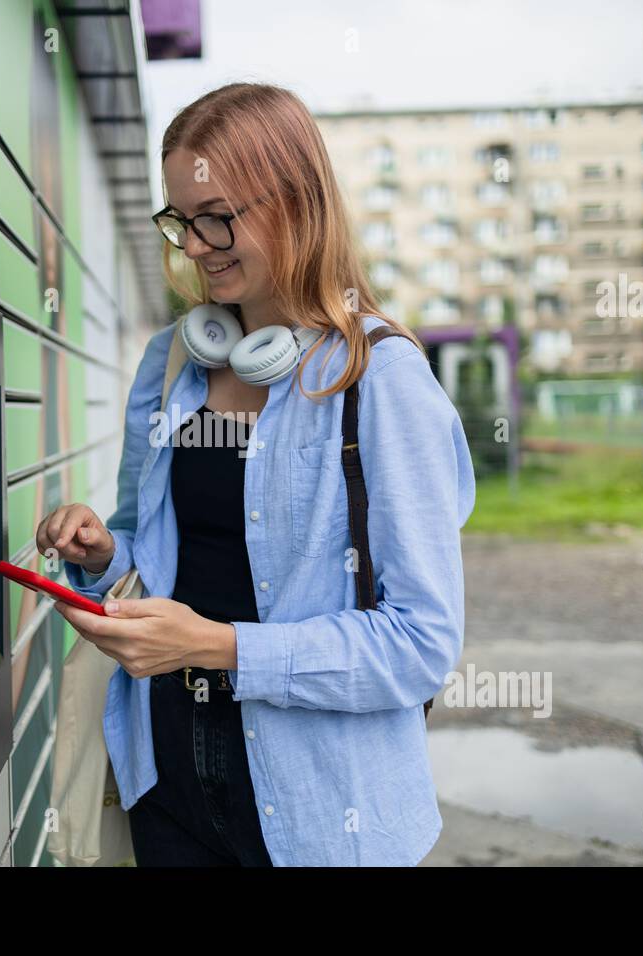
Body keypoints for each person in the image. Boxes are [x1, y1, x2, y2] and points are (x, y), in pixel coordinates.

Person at [36, 82, 475, 867]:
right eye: (181, 220)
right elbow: (155, 550)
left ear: (295, 202)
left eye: (218, 217)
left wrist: (216, 645)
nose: (196, 247)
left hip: (320, 805)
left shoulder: (381, 381)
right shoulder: (171, 362)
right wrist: (107, 556)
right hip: (165, 771)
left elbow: (420, 643)